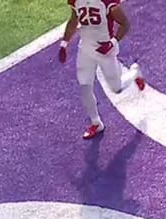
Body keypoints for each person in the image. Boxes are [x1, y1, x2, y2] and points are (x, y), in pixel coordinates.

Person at [57, 0, 146, 139]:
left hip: (105, 50)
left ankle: (134, 73)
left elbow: (124, 23)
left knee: (117, 88)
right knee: (84, 85)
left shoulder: (106, 1)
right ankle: (96, 122)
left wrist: (112, 43)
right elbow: (74, 20)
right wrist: (64, 44)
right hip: (86, 48)